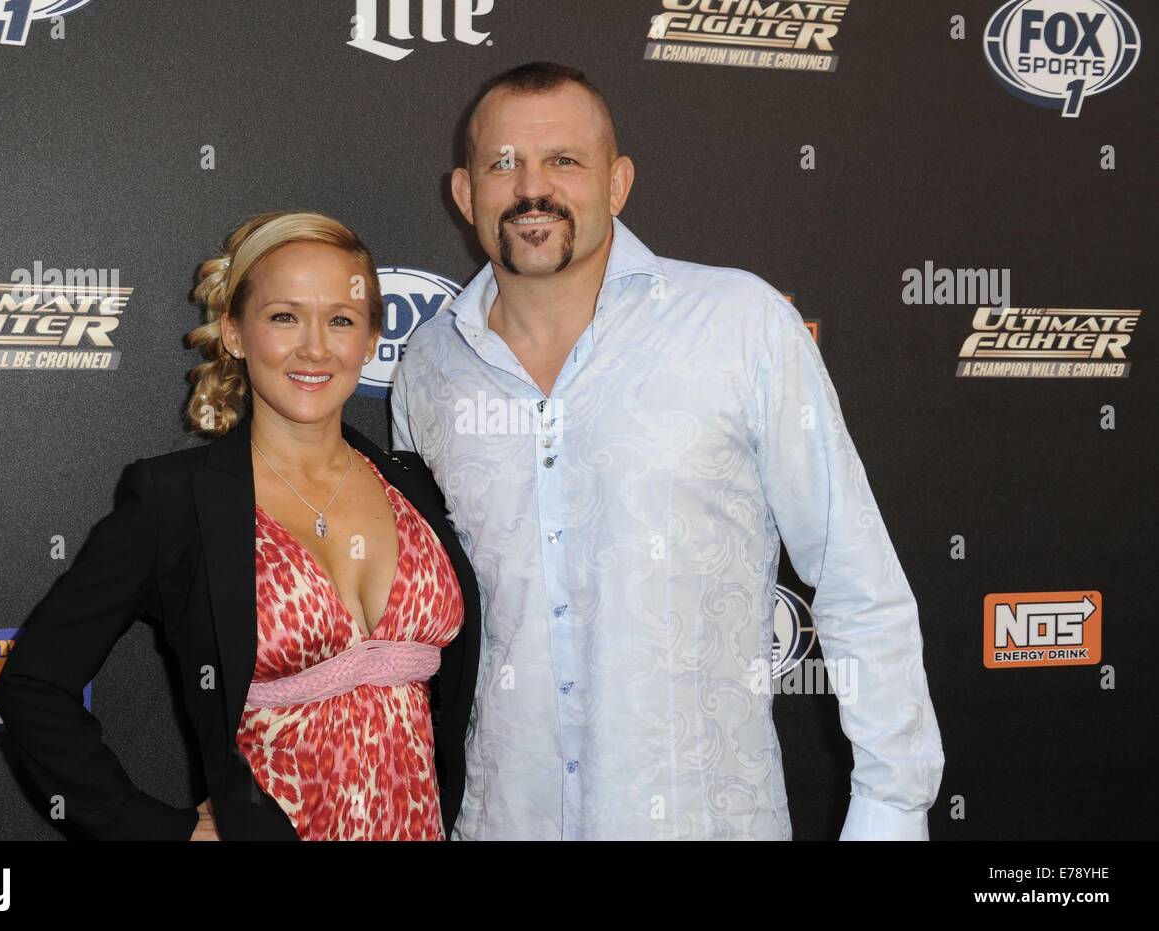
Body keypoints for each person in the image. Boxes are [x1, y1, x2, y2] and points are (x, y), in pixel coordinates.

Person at [390, 62, 945, 840]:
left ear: (617, 184)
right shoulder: (427, 368)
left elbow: (856, 576)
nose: (531, 186)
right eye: (503, 162)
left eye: (565, 160)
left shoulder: (738, 324)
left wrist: (891, 806)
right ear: (463, 192)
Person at [0, 211, 480, 840]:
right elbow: (32, 684)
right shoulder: (175, 501)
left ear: (368, 340)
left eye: (341, 319)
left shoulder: (415, 483)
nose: (314, 346)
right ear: (234, 332)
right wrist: (158, 832)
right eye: (284, 317)